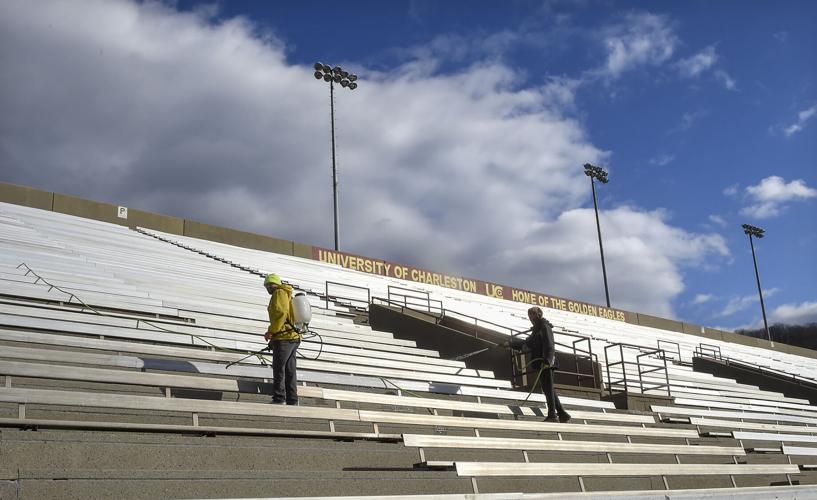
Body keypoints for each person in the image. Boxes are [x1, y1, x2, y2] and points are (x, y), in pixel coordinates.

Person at [504, 306, 571, 423]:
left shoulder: (545, 327)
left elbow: (550, 345)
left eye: (532, 314)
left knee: (548, 388)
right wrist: (510, 344)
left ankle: (552, 415)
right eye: (529, 315)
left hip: (546, 363)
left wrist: (547, 360)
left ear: (539, 314)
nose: (530, 317)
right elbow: (527, 343)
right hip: (541, 363)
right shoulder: (536, 330)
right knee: (548, 388)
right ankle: (562, 413)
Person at [263, 273, 301, 405]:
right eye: (266, 285)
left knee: (279, 368)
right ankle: (292, 399)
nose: (267, 288)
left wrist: (271, 331)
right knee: (290, 370)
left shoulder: (279, 293)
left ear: (275, 284)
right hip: (292, 337)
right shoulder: (285, 293)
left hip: (284, 337)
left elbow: (280, 313)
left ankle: (279, 398)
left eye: (269, 285)